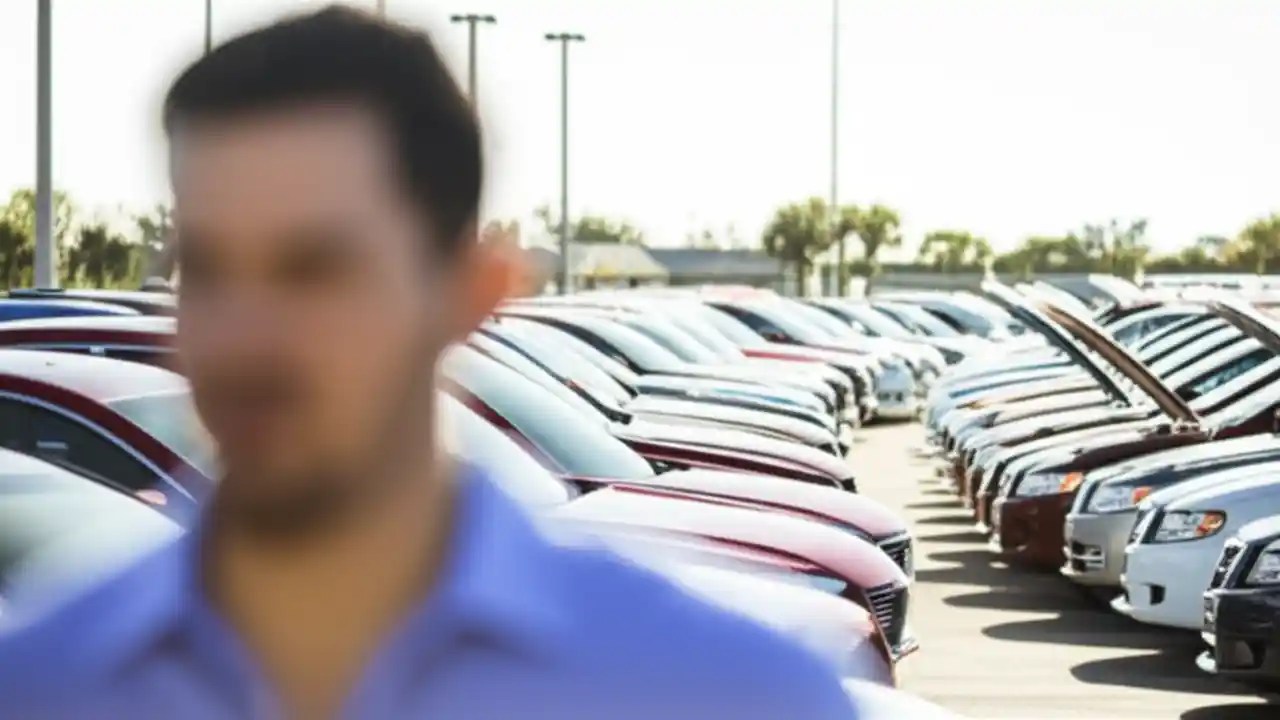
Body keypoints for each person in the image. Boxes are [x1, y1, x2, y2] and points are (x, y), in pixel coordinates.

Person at [0, 6, 863, 719]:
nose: (242, 335)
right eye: (207, 268)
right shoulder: (42, 685)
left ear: (475, 289)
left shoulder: (727, 697)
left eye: (314, 270)